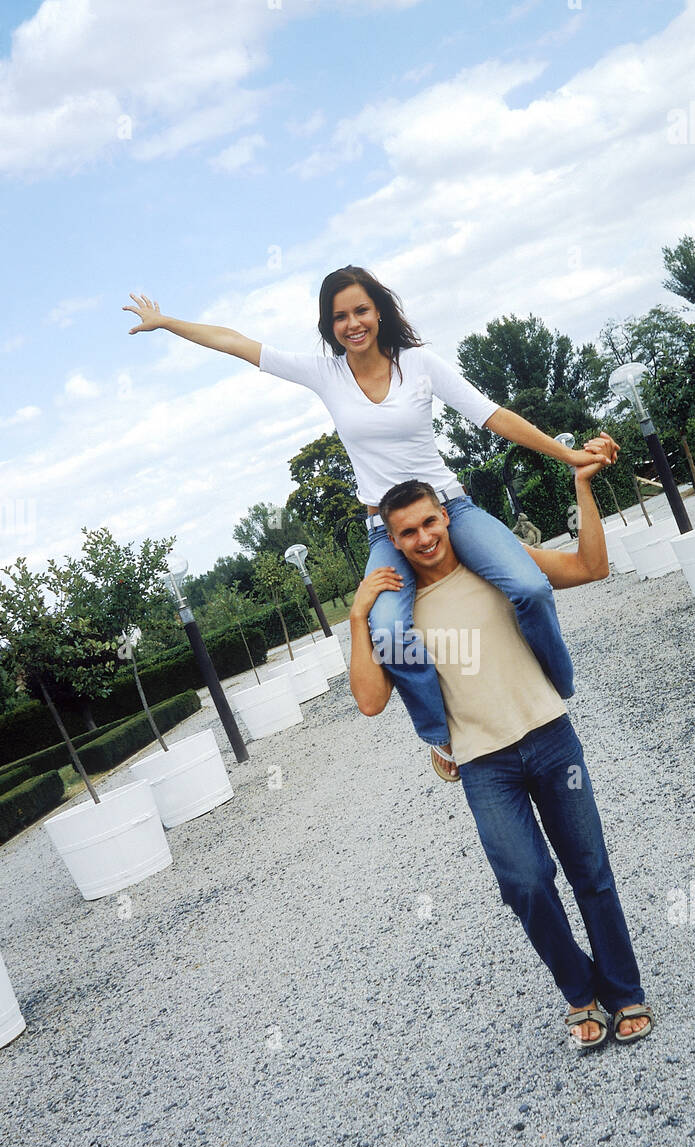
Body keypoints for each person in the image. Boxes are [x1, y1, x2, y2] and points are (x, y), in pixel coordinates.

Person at [123, 267, 615, 781]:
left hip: (446, 509)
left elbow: (491, 416)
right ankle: (440, 737)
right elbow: (237, 343)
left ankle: (555, 686)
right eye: (339, 316)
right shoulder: (325, 374)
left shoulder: (419, 364)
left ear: (378, 311)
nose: (352, 323)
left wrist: (568, 455)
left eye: (360, 310)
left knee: (530, 587)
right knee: (388, 629)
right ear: (328, 324)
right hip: (385, 529)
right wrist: (165, 322)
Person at [347, 472, 653, 1049]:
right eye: (406, 532)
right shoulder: (400, 616)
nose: (423, 538)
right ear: (392, 540)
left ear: (447, 516)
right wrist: (360, 617)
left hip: (550, 734)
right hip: (486, 764)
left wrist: (581, 485)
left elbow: (592, 567)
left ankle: (622, 990)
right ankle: (579, 990)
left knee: (590, 870)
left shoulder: (500, 568)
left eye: (430, 522)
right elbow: (369, 701)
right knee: (526, 884)